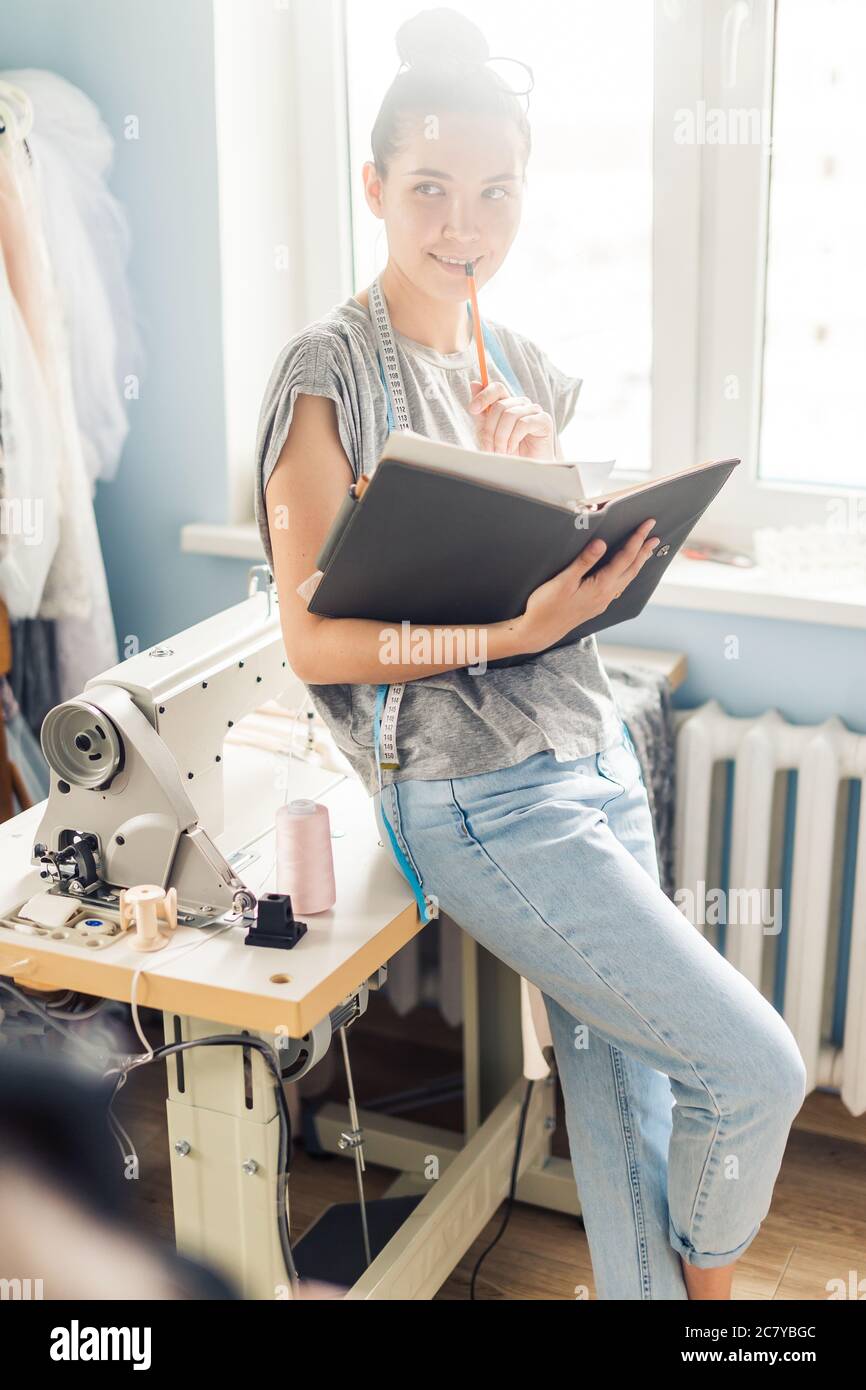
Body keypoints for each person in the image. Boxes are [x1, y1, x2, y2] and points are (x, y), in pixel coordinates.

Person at [255, 7, 807, 1300]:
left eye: (495, 193)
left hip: (591, 751)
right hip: (478, 799)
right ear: (374, 188)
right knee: (751, 1068)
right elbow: (310, 637)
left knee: (622, 1103)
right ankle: (708, 1297)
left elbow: (525, 572)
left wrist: (568, 537)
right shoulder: (328, 375)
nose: (466, 226)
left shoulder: (525, 369)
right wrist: (515, 626)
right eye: (433, 190)